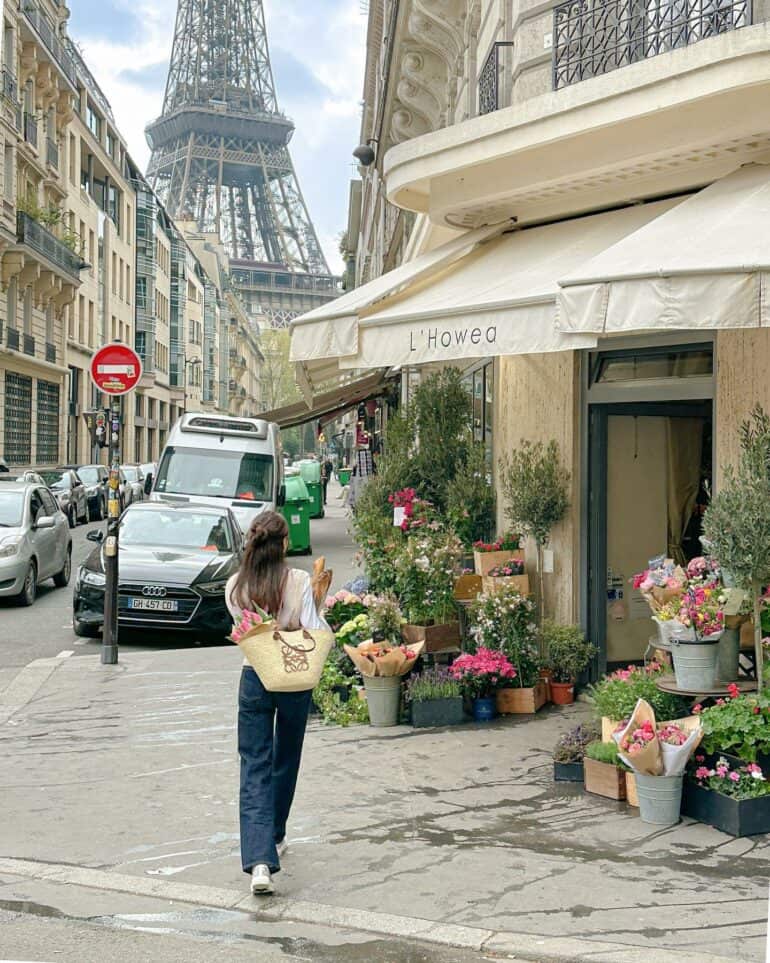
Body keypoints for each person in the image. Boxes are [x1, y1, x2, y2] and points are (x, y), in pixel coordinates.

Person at [226, 511, 329, 896]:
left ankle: (259, 861)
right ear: (284, 543)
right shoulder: (299, 581)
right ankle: (276, 833)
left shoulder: (235, 586)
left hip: (254, 676)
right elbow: (315, 630)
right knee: (286, 757)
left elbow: (244, 633)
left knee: (254, 764)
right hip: (294, 677)